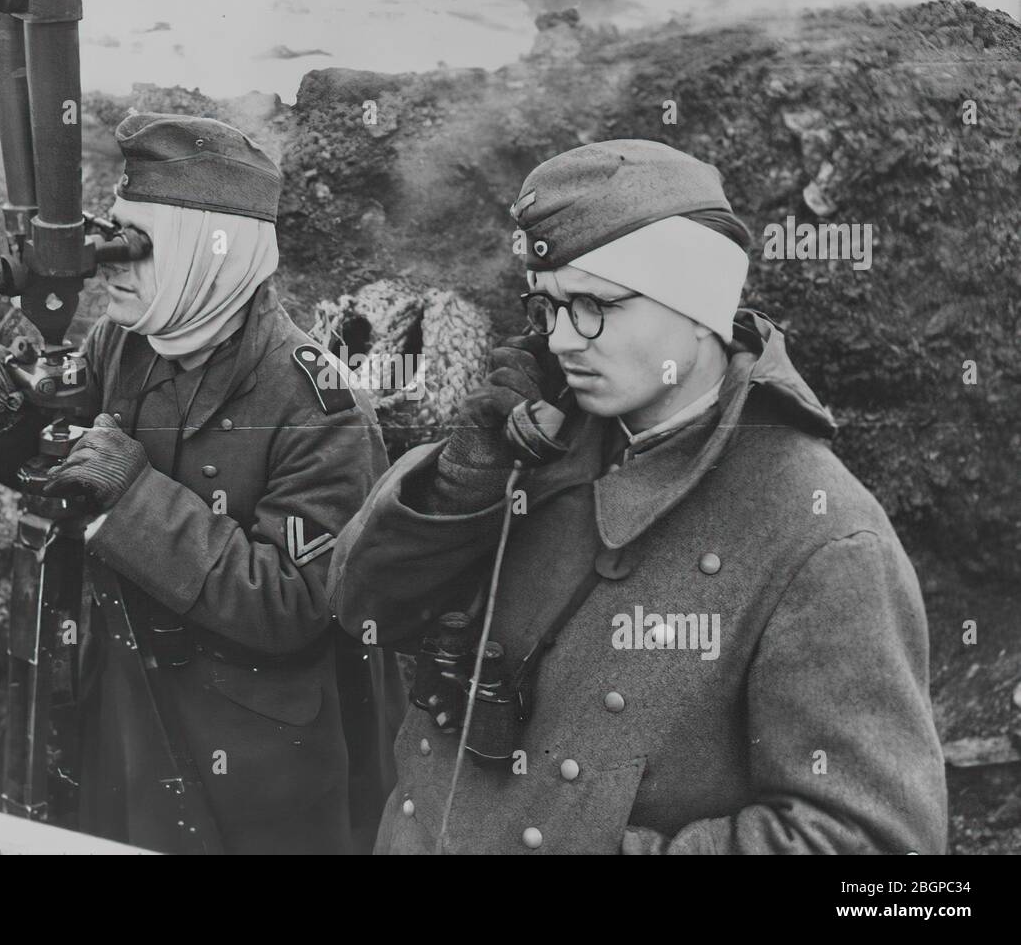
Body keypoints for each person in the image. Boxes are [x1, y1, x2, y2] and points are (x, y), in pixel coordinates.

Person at [329, 139, 948, 855]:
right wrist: (462, 485)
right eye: (547, 306)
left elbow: (870, 841)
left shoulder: (822, 534)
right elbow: (361, 614)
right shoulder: (531, 443)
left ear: (697, 303)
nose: (561, 340)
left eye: (592, 304)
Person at [0, 112, 402, 854]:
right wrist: (0, 414)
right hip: (124, 700)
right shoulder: (128, 345)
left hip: (253, 755)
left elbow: (299, 606)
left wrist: (135, 500)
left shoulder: (316, 404)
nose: (112, 266)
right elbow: (58, 478)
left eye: (137, 247)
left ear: (208, 254)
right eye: (111, 238)